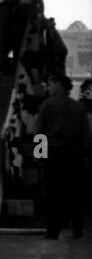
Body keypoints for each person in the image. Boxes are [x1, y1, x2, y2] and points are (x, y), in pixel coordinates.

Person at [35, 74, 90, 239]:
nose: (48, 88)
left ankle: (53, 231)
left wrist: (40, 156)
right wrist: (86, 156)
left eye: (50, 84)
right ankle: (77, 229)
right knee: (75, 193)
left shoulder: (47, 105)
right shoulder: (78, 107)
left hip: (53, 155)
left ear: (59, 85)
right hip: (74, 155)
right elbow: (85, 135)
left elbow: (40, 132)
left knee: (52, 194)